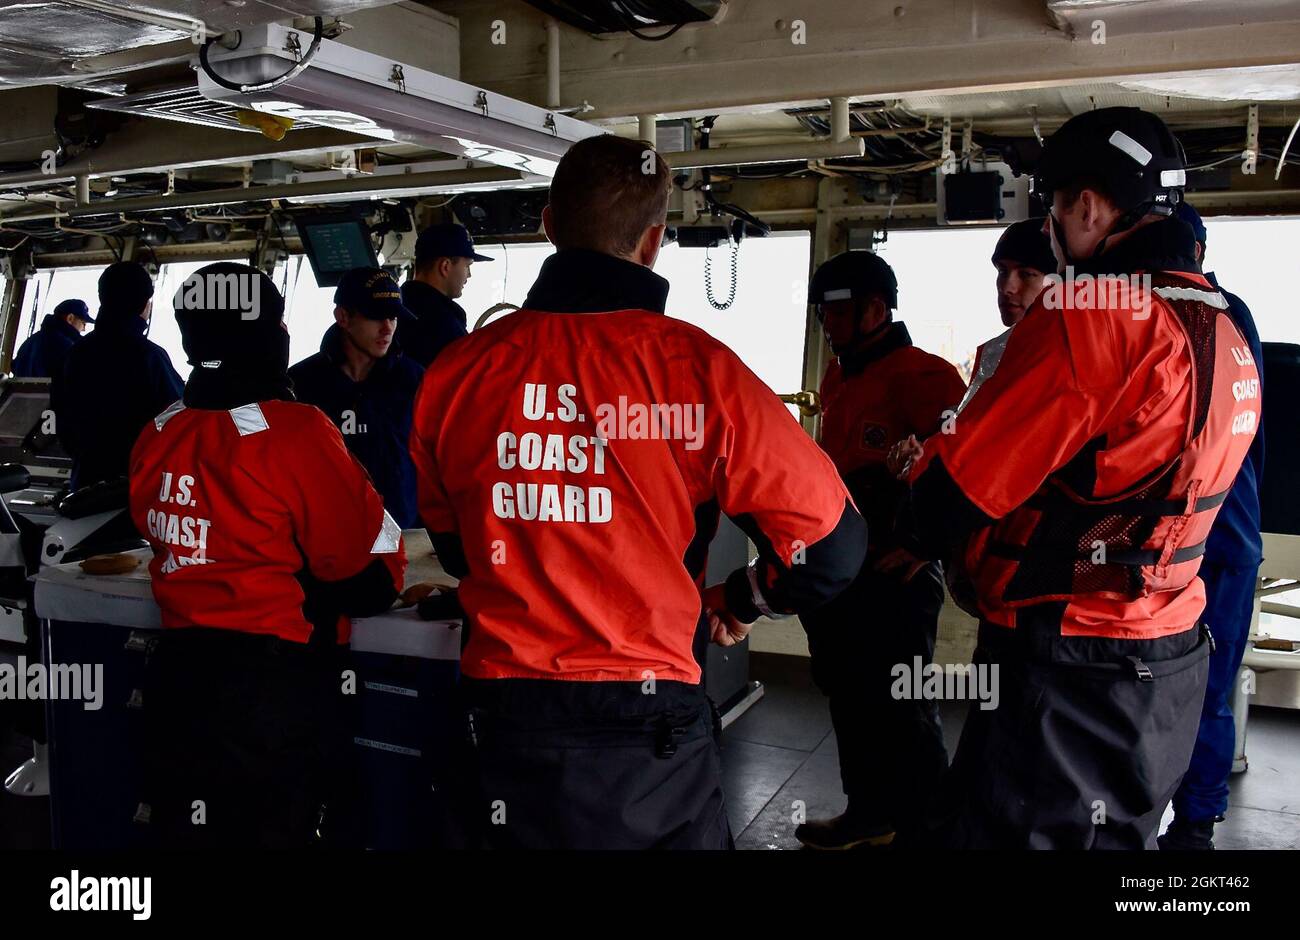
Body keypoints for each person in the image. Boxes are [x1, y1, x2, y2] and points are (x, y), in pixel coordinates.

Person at [410, 134, 867, 850]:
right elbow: (834, 547)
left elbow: (460, 551)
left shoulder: (455, 373)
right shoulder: (702, 373)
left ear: (548, 224)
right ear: (653, 243)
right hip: (645, 728)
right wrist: (745, 598)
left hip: (500, 722)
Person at [896, 107, 1260, 849]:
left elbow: (951, 498)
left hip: (1069, 660)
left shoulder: (1091, 318)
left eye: (1052, 208)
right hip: (1167, 655)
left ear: (1086, 207)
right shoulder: (1223, 328)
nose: (1053, 231)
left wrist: (922, 479)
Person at [129, 262, 406, 849]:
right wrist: (381, 522)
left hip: (175, 685)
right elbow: (368, 577)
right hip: (267, 698)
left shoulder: (158, 431)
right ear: (268, 335)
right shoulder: (296, 430)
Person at [794, 250, 965, 850]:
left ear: (875, 309)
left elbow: (964, 469)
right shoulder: (841, 375)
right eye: (821, 313)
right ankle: (869, 810)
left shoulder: (927, 376)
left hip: (899, 568)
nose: (827, 325)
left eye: (836, 312)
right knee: (849, 693)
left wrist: (928, 545)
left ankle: (926, 834)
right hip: (846, 562)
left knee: (903, 702)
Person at [1160, 201, 1266, 851]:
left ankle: (1189, 823)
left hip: (1199, 541)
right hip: (1231, 537)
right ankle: (1193, 827)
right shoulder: (1236, 316)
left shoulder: (1187, 315)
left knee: (1188, 695)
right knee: (1209, 694)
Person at [290, 267, 425, 528]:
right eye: (376, 317)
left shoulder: (415, 380)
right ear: (343, 317)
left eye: (394, 317)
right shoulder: (302, 383)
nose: (388, 328)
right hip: (325, 536)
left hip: (403, 534)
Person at [52, 262, 184, 489]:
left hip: (84, 483)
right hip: (135, 490)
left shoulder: (75, 353)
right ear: (144, 304)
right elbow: (180, 423)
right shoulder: (149, 357)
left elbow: (61, 419)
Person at [398, 223, 493, 367]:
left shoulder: (397, 307)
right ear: (445, 266)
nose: (469, 275)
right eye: (467, 266)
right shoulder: (442, 323)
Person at [12, 298, 92, 379]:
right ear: (70, 318)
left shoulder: (30, 341)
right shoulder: (66, 346)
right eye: (83, 323)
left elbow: (15, 366)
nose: (84, 329)